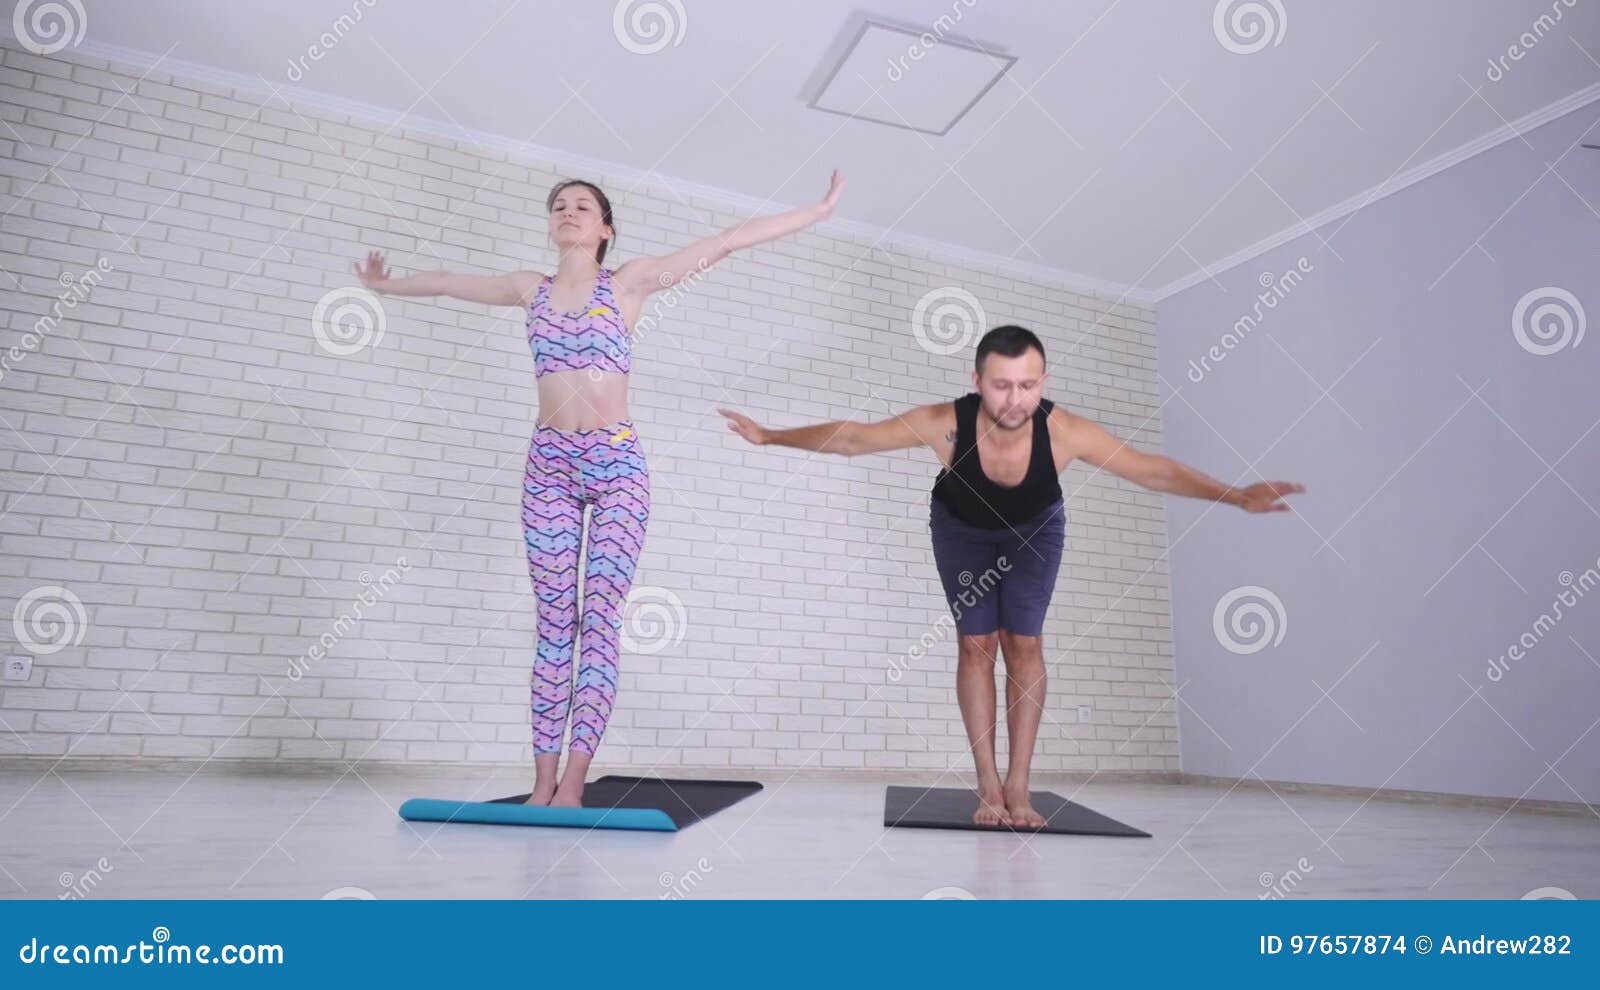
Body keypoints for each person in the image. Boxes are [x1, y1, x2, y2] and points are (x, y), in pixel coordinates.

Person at [355, 170, 846, 806]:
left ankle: (575, 785)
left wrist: (818, 209)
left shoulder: (630, 283)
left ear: (604, 228)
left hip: (617, 468)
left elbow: (727, 241)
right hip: (549, 467)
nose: (568, 211)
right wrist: (385, 285)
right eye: (559, 206)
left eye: (582, 205)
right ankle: (540, 785)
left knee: (599, 621)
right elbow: (450, 283)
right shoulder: (526, 289)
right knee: (555, 621)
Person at [718, 324, 1303, 828]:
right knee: (975, 645)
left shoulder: (1065, 431)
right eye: (1001, 385)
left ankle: (1019, 786)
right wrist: (771, 435)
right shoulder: (945, 424)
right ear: (978, 381)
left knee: (1024, 645)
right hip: (961, 532)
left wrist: (1236, 496)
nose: (1015, 398)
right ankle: (987, 785)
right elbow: (852, 439)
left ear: (1043, 382)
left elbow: (1151, 472)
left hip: (1034, 536)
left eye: (1028, 384)